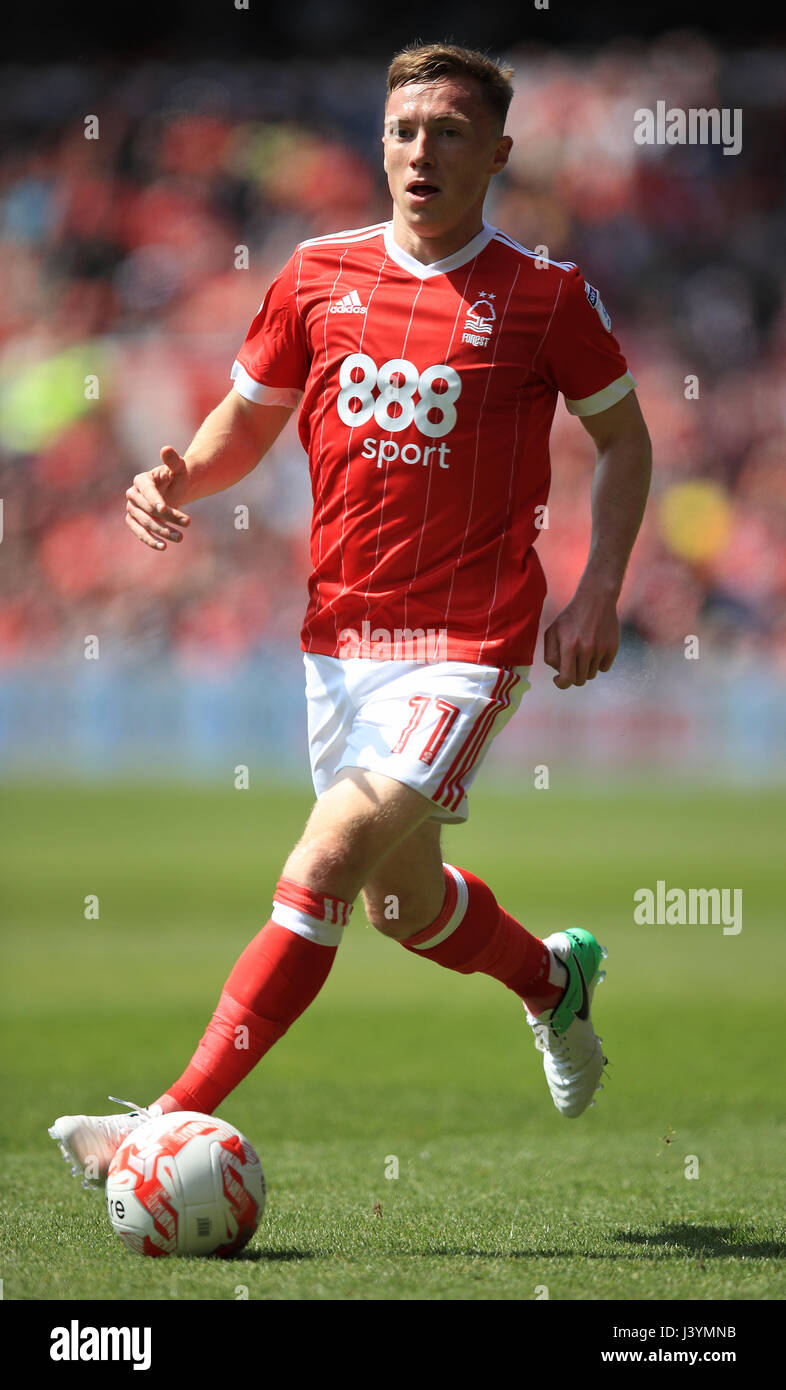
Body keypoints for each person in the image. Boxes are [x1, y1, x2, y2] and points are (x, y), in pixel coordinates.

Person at [49, 41, 651, 1184]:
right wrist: (179, 480)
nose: (422, 152)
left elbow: (626, 437)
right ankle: (550, 980)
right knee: (402, 905)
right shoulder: (317, 273)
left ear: (499, 154)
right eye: (404, 130)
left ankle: (149, 1128)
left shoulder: (543, 295)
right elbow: (247, 417)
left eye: (451, 133)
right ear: (382, 143)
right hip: (339, 644)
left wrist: (599, 589)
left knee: (322, 862)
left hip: (467, 648)